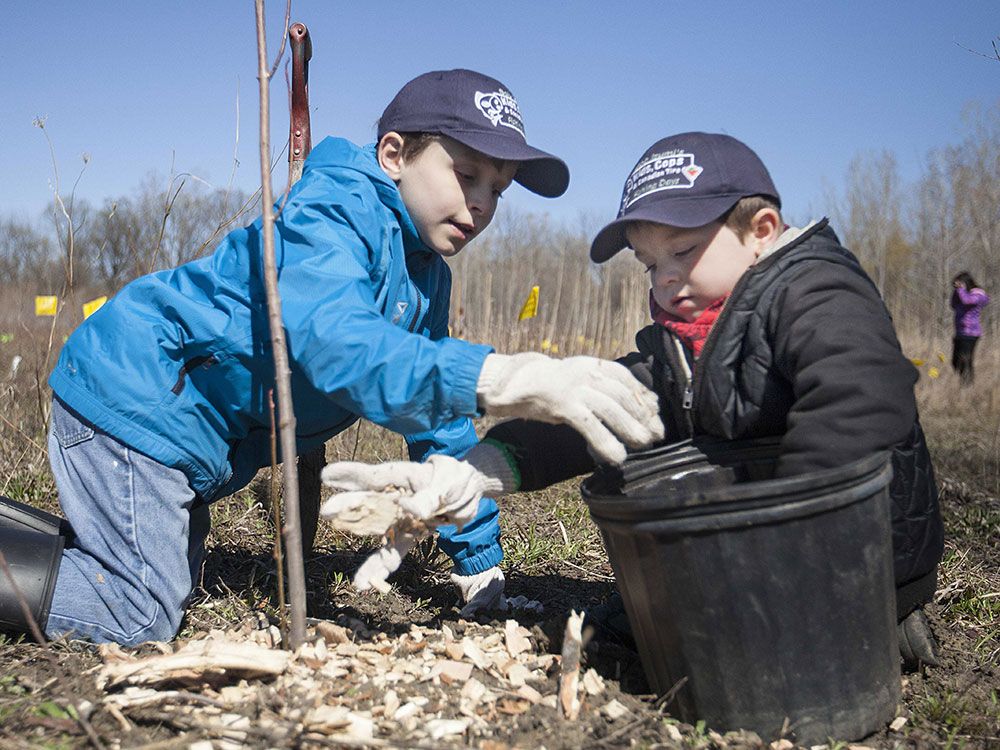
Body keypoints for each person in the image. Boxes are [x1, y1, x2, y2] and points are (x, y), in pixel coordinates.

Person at [0, 69, 664, 645]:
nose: (482, 203)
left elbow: (435, 419)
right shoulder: (334, 212)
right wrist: (503, 376)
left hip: (180, 443)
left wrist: (479, 560)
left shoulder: (425, 272)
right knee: (136, 616)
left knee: (165, 579)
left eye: (499, 187)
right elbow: (334, 339)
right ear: (395, 153)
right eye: (465, 175)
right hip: (135, 402)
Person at [323, 132, 945, 668]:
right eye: (649, 263)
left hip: (854, 556)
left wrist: (773, 560)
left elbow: (856, 412)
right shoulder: (690, 342)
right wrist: (473, 474)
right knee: (637, 619)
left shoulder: (817, 291)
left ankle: (873, 621)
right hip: (758, 556)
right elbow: (591, 417)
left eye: (682, 252)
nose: (665, 278)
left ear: (760, 232)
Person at [950, 271, 989, 385]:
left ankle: (967, 384)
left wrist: (961, 289)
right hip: (959, 332)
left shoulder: (978, 294)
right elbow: (953, 304)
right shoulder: (962, 294)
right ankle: (965, 381)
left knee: (965, 359)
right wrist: (956, 291)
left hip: (970, 333)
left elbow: (967, 301)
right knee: (955, 361)